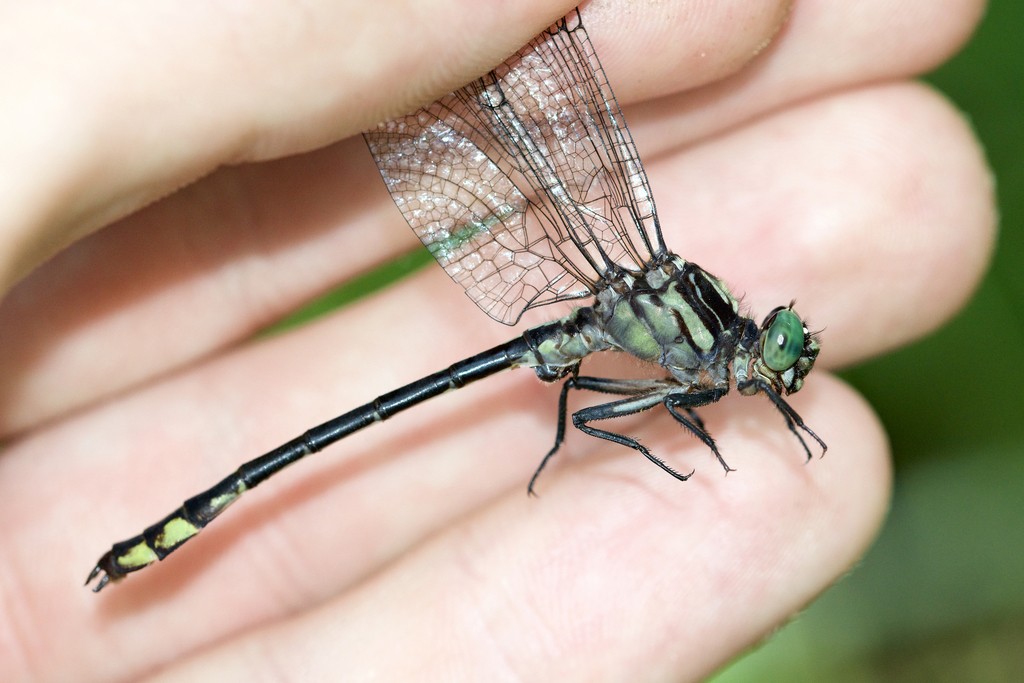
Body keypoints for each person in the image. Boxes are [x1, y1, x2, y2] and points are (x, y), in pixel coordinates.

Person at [0, 1, 993, 680]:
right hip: (582, 322)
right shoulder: (700, 343)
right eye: (776, 360)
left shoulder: (707, 351)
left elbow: (636, 400)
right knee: (582, 410)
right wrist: (607, 431)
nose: (774, 366)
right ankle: (184, 518)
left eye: (777, 363)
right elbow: (615, 404)